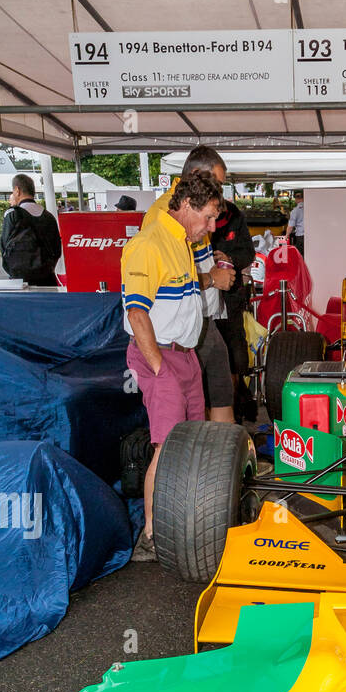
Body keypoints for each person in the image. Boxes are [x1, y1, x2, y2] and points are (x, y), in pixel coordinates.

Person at [121, 172, 224, 560]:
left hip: (185, 355)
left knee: (192, 442)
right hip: (160, 356)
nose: (211, 227)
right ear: (187, 207)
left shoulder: (182, 239)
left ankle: (188, 519)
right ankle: (150, 535)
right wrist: (159, 368)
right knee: (166, 446)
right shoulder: (148, 243)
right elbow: (136, 313)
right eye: (210, 218)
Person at [143, 147, 236, 425]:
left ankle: (224, 462)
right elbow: (166, 279)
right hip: (181, 332)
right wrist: (211, 279)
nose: (211, 226)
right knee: (180, 427)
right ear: (196, 176)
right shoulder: (162, 215)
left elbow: (189, 261)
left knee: (220, 398)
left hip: (204, 319)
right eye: (216, 184)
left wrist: (215, 262)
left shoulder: (197, 209)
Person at [212, 193, 257, 420]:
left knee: (235, 349)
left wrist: (228, 257)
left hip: (231, 294)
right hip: (203, 295)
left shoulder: (234, 215)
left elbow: (248, 253)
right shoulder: (189, 216)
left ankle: (238, 401)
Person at [0, 173, 62, 286]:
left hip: (20, 282)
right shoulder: (49, 216)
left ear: (17, 190)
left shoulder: (13, 214)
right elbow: (57, 249)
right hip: (47, 280)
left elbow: (4, 247)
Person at [287, 189, 305, 256]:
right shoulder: (310, 207)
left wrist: (286, 236)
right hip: (310, 235)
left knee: (300, 255)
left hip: (300, 236)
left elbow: (291, 226)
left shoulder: (295, 211)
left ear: (296, 199)